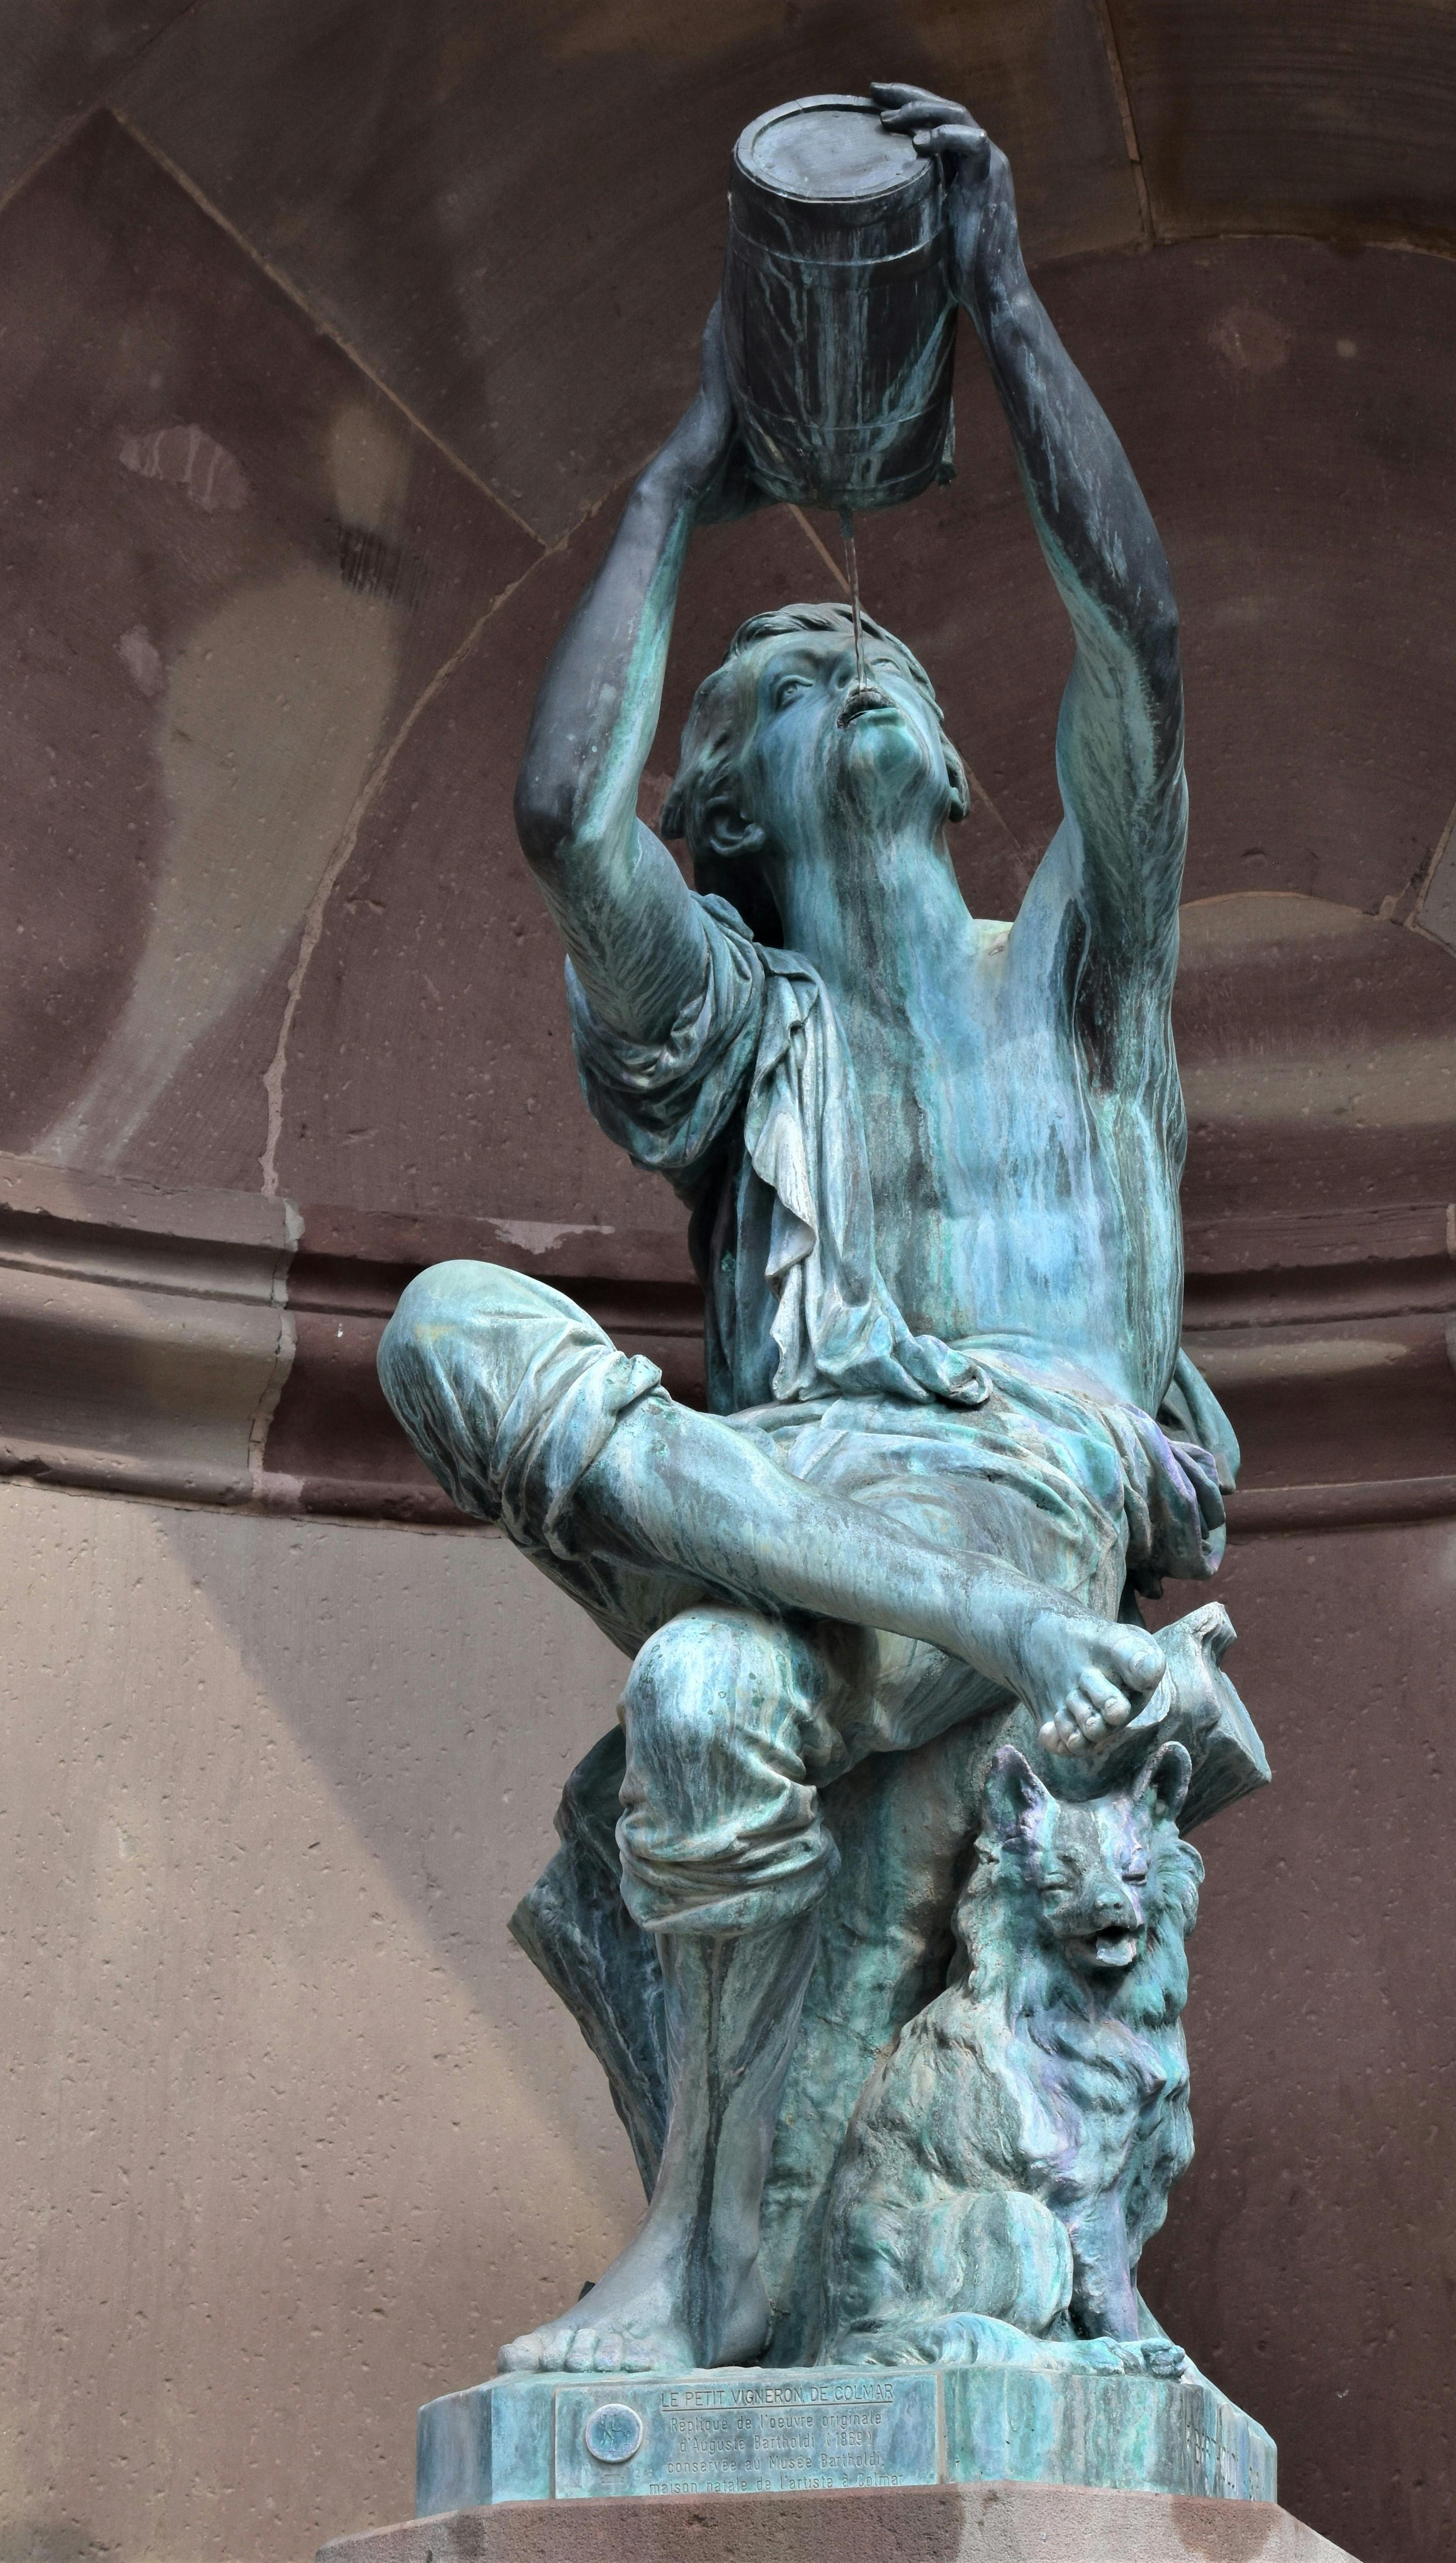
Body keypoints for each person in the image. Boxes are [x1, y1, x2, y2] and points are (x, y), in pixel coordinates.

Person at [378, 82, 1236, 2379]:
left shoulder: (1076, 973)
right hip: (804, 1509)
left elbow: (1136, 639)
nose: (846, 670)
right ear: (735, 814)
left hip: (1015, 1484)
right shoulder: (741, 1041)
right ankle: (708, 2262)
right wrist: (684, 469)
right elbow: (565, 806)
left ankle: (697, 2270)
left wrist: (1014, 312)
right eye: (777, 697)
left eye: (882, 676)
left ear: (955, 769)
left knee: (695, 1690)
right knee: (453, 1324)